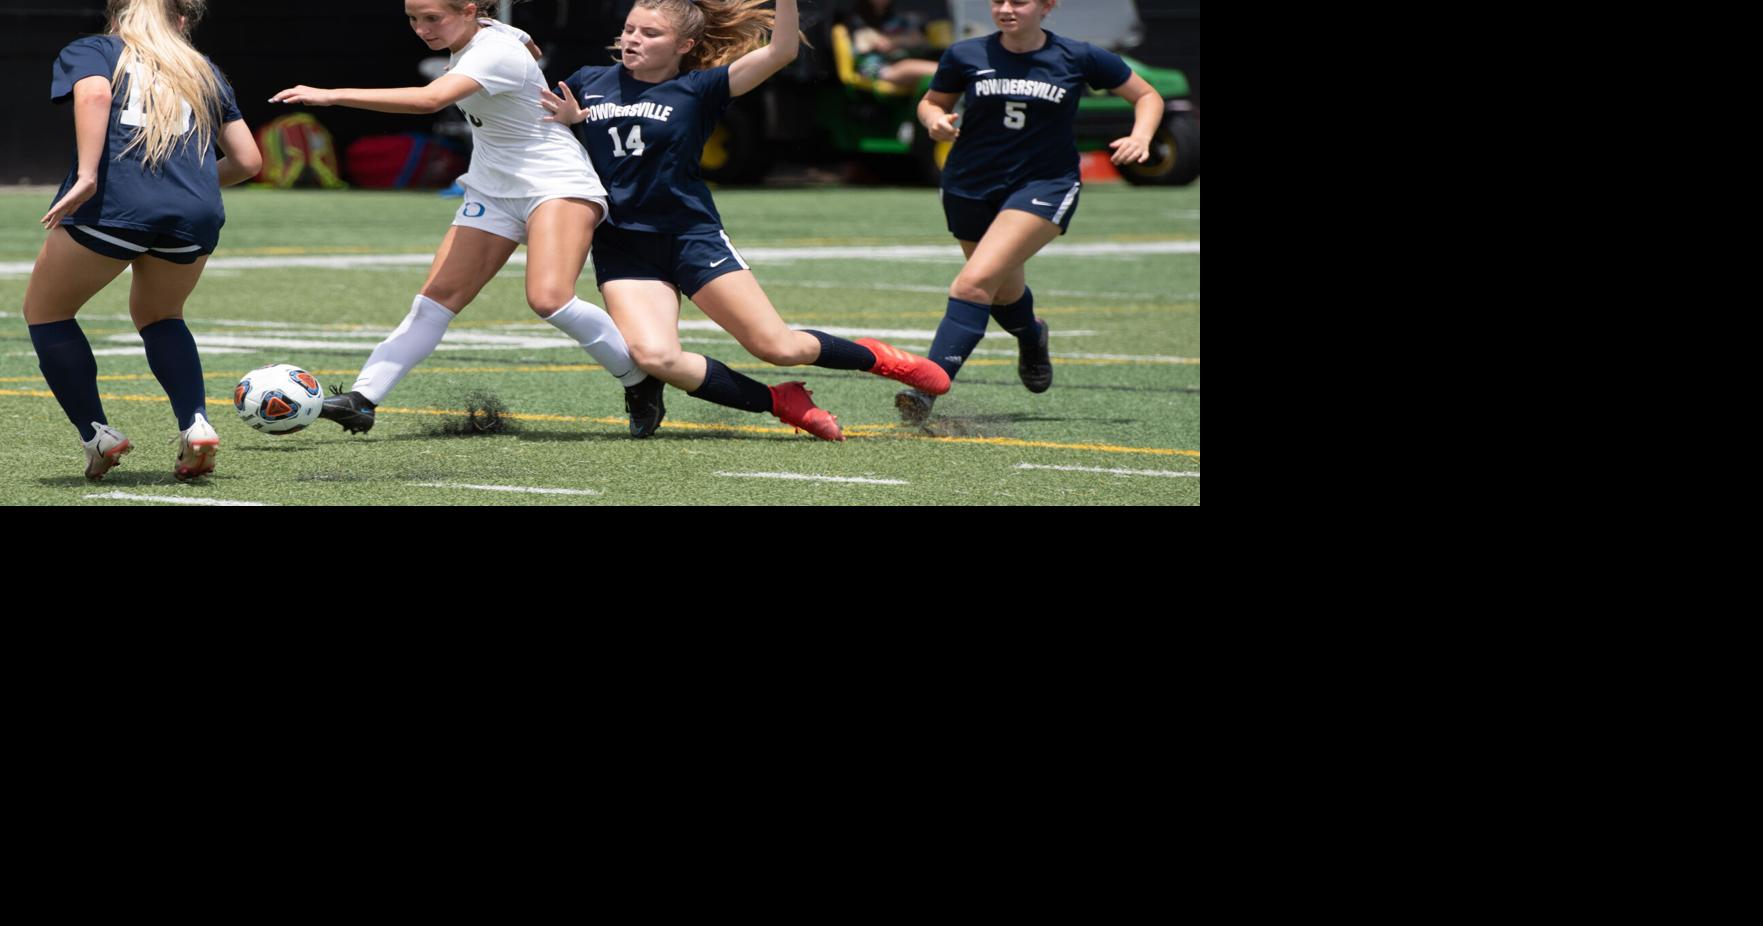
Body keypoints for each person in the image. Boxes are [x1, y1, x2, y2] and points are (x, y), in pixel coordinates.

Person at [540, 0, 949, 442]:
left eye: (650, 34)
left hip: (690, 238)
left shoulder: (700, 88)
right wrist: (565, 124)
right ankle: (781, 402)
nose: (633, 39)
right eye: (630, 29)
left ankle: (886, 361)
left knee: (779, 347)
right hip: (624, 246)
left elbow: (781, 52)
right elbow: (528, 125)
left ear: (685, 45)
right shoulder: (586, 82)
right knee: (655, 356)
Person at [271, 0, 663, 438]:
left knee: (549, 299)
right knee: (433, 302)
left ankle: (639, 380)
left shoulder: (494, 49)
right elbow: (530, 47)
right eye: (413, 19)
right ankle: (362, 401)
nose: (422, 29)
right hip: (492, 188)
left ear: (469, 10)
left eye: (432, 18)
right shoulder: (491, 33)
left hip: (556, 182)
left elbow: (429, 100)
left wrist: (331, 95)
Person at [897, 0, 1164, 424]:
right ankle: (1031, 333)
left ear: (1046, 6)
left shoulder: (1079, 56)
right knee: (1001, 290)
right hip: (968, 184)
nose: (1005, 9)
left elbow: (1146, 94)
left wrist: (1142, 136)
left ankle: (927, 386)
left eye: (1019, 1)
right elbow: (931, 102)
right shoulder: (965, 54)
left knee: (973, 284)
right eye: (998, 1)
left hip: (1043, 185)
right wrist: (934, 121)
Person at [25, 0, 260, 481]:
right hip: (194, 213)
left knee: (46, 313)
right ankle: (194, 422)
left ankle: (96, 434)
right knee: (161, 316)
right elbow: (248, 161)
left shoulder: (94, 49)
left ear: (117, 15)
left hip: (116, 203)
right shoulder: (203, 68)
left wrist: (87, 175)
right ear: (181, 20)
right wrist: (186, 185)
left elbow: (93, 96)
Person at [846, 0, 939, 87]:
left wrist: (895, 41)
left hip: (903, 60)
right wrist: (874, 42)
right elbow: (862, 46)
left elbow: (918, 39)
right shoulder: (855, 20)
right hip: (878, 69)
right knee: (910, 66)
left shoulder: (897, 17)